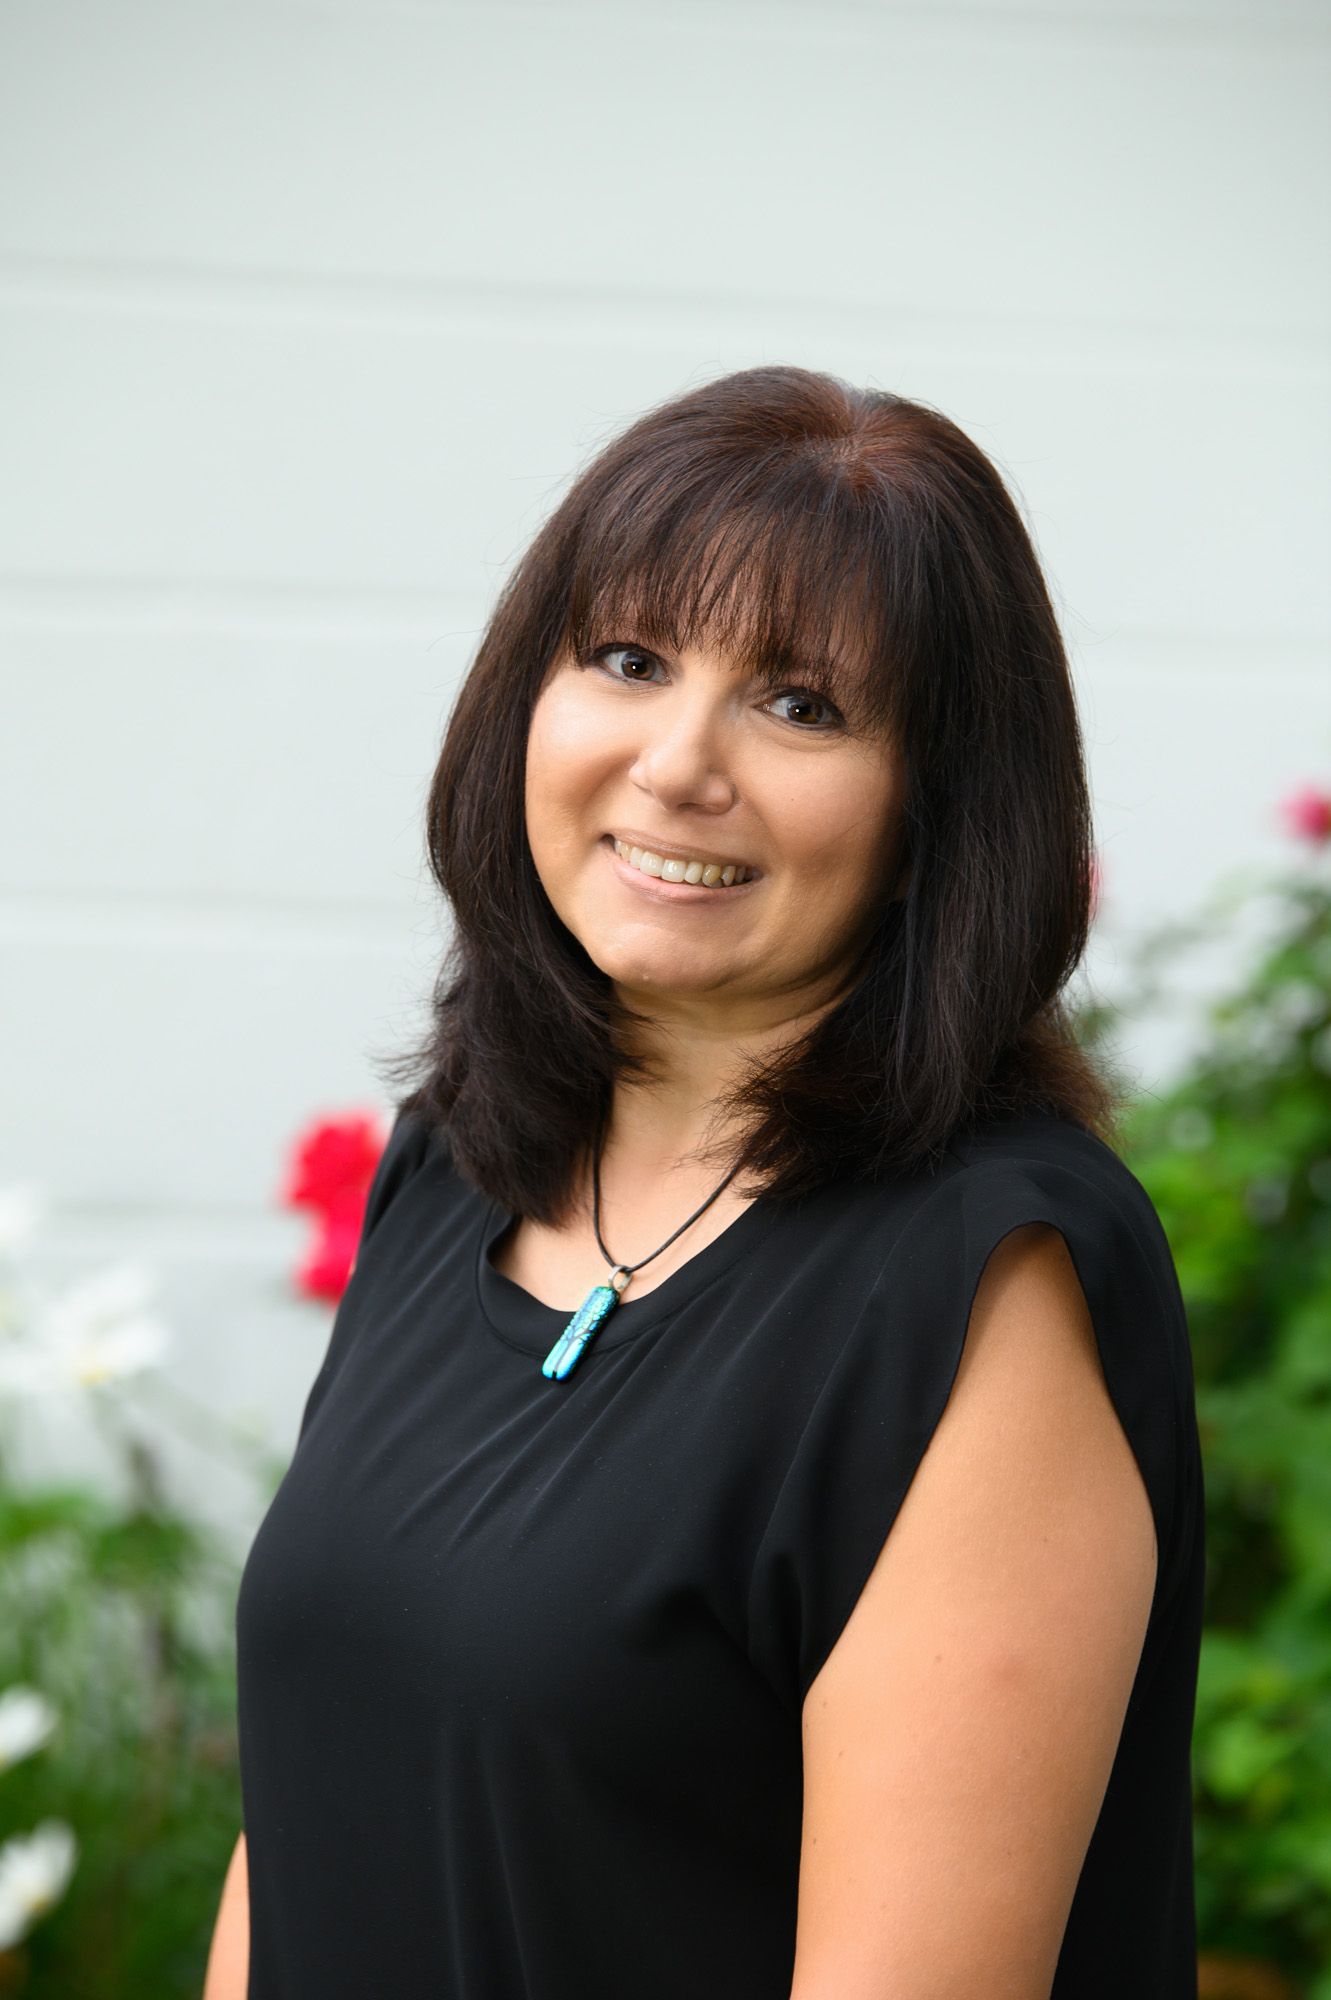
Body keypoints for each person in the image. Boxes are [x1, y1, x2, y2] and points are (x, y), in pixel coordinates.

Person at [209, 364, 1205, 1999]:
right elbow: (306, 1815)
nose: (679, 761)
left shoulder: (977, 1297)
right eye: (628, 659)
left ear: (938, 814)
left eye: (802, 704)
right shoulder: (461, 1159)